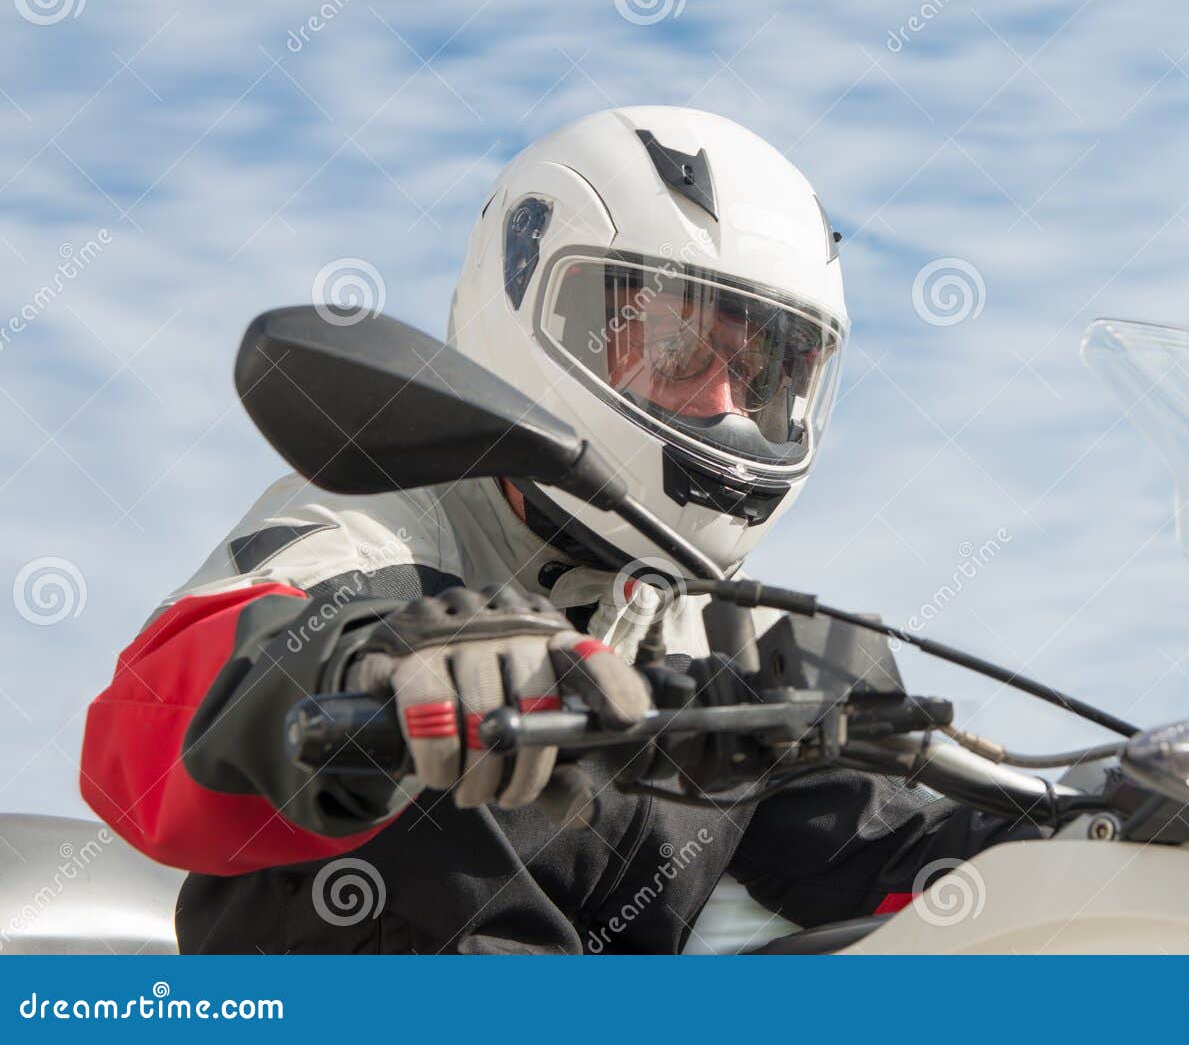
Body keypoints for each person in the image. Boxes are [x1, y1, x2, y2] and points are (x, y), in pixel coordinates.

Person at [79, 106, 1038, 954]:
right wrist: (373, 670)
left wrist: (1099, 835)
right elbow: (153, 737)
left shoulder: (724, 640)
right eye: (676, 348)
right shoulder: (382, 526)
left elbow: (889, 861)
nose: (729, 410)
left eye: (768, 376)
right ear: (529, 302)